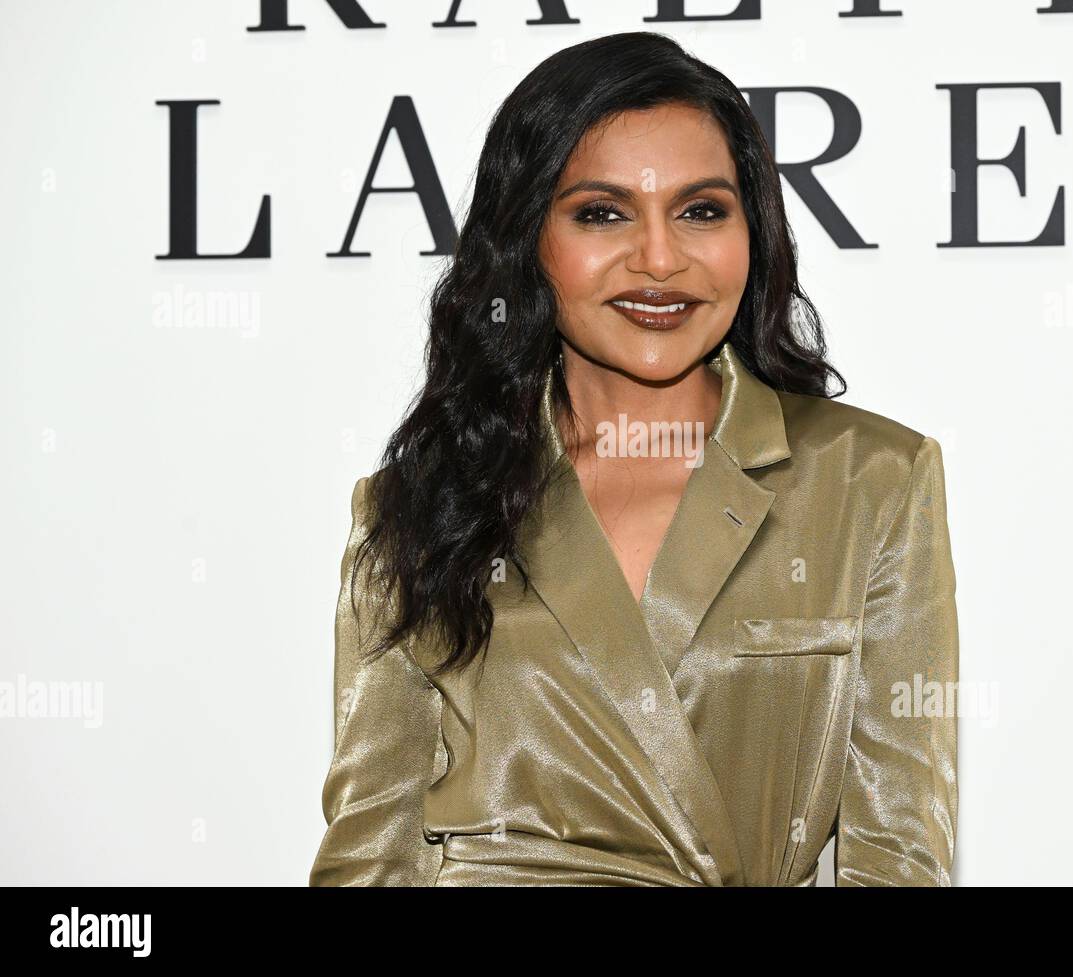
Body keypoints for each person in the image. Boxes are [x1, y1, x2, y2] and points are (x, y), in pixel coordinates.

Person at [308, 31, 959, 887]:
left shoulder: (870, 480)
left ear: (752, 234)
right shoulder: (422, 503)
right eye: (602, 213)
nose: (660, 259)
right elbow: (368, 858)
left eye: (701, 210)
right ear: (527, 238)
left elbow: (900, 859)